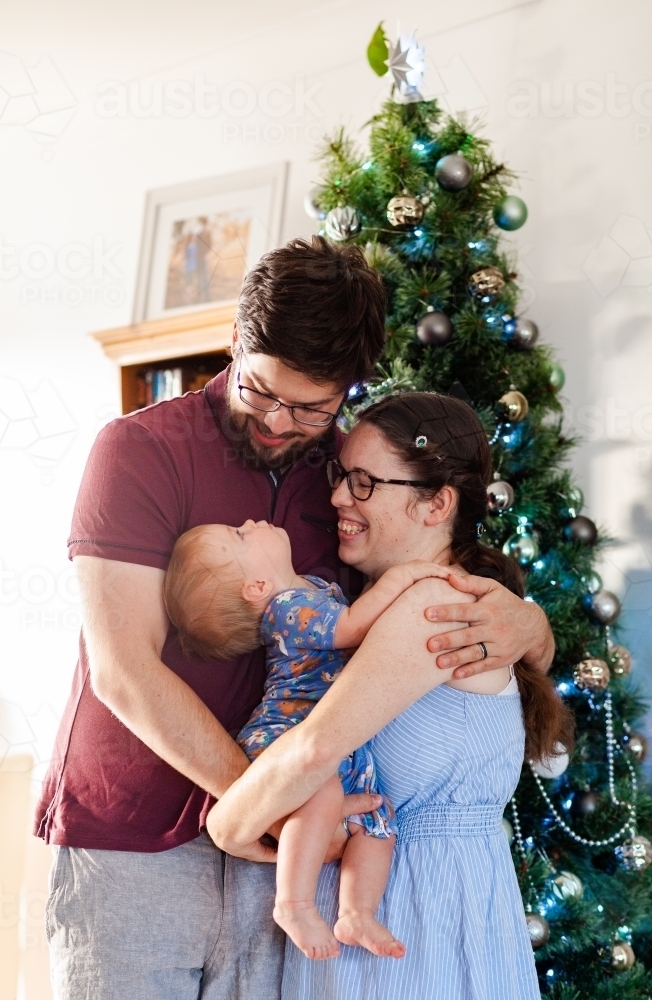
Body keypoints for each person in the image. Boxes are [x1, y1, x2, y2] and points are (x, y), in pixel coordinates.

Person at [36, 235, 555, 1000]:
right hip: (139, 839)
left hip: (286, 849)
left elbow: (428, 576)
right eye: (260, 391)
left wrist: (528, 626)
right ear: (236, 343)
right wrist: (267, 804)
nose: (279, 422)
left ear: (349, 388)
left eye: (311, 407)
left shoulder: (353, 478)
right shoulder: (139, 450)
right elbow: (124, 670)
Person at [207, 392, 573, 1000]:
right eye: (341, 475)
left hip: (412, 926)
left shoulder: (431, 611)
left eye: (364, 482)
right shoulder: (417, 606)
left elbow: (314, 748)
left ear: (437, 504)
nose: (338, 497)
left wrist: (225, 824)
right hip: (410, 918)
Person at [164, 521, 452, 960]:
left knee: (378, 821)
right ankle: (293, 904)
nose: (248, 523)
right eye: (240, 537)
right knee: (324, 794)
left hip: (333, 744)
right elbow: (353, 627)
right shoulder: (288, 609)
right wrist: (402, 577)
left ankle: (356, 911)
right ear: (257, 585)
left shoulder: (312, 589)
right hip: (286, 737)